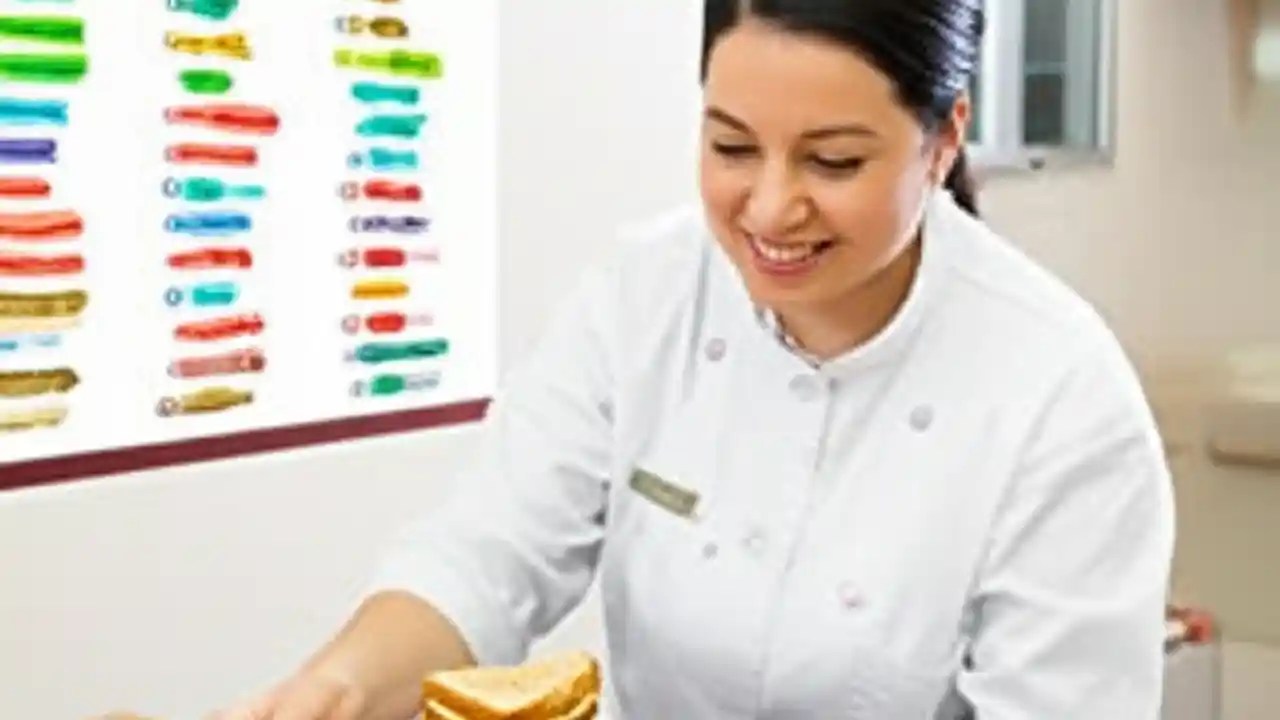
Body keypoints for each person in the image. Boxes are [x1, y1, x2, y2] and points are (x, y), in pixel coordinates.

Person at [213, 1, 1175, 717]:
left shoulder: (1059, 397)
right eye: (731, 146)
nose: (767, 209)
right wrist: (333, 686)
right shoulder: (645, 294)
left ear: (943, 138)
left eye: (832, 162)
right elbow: (488, 550)